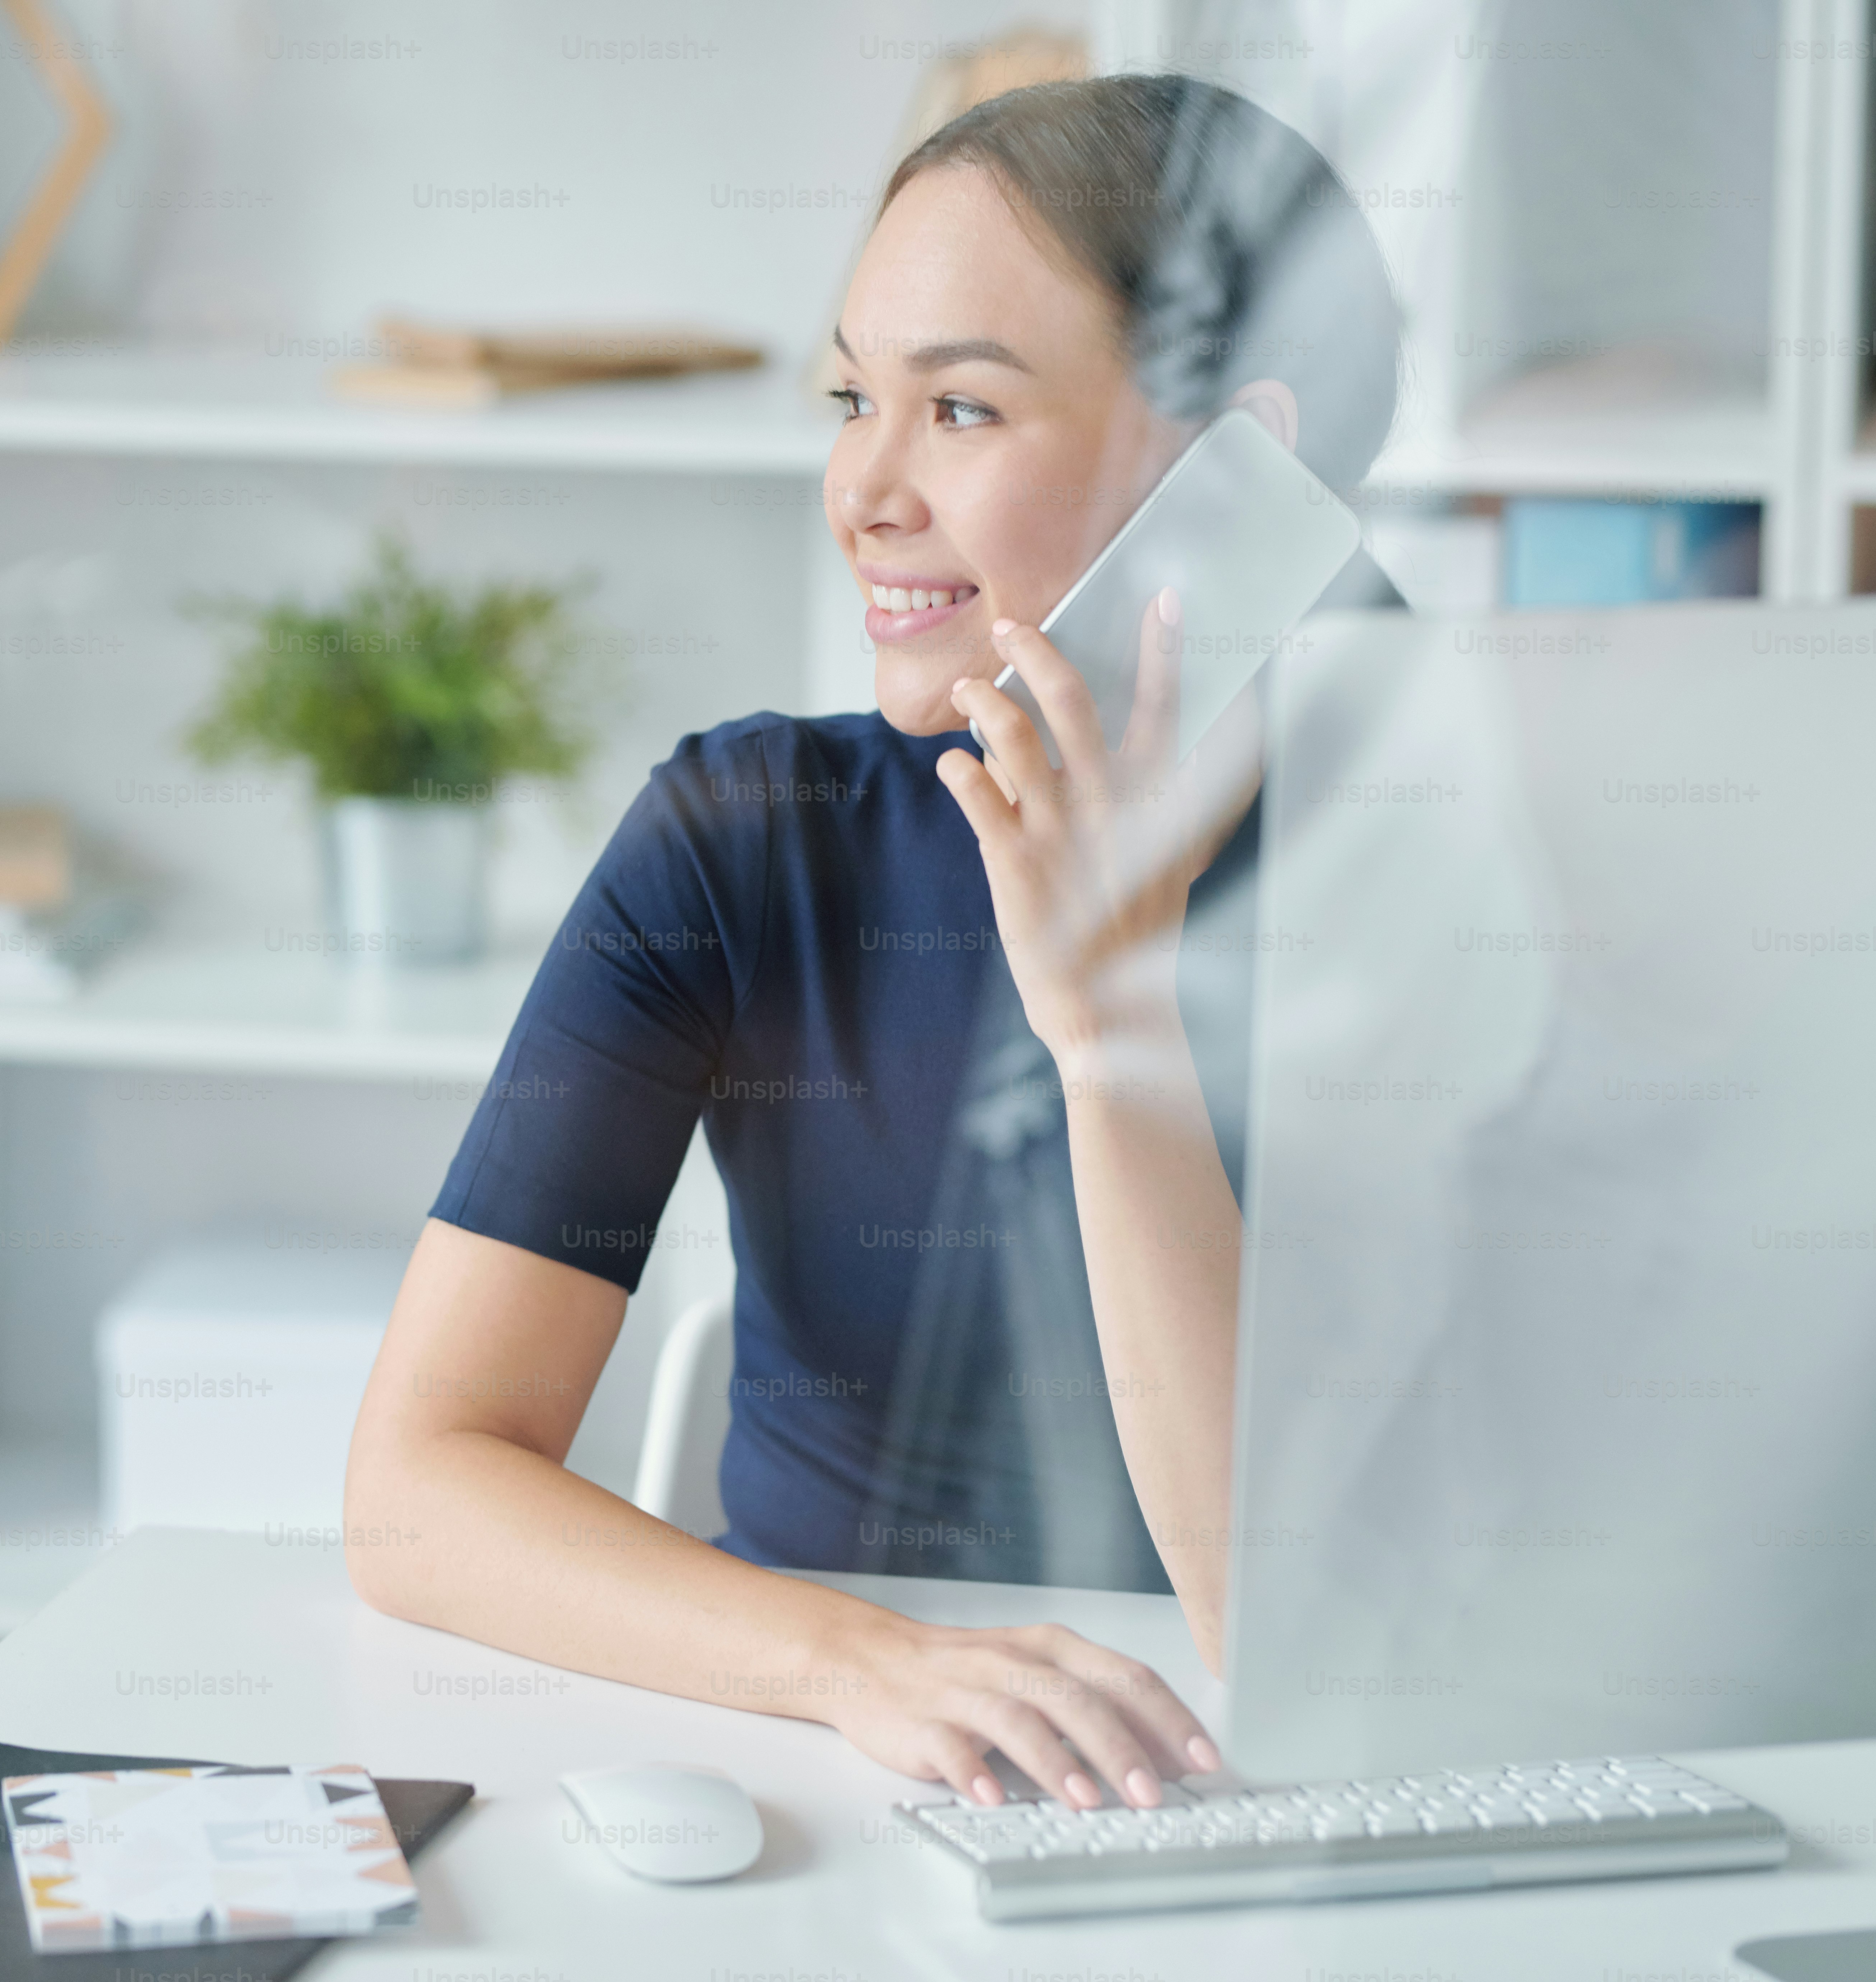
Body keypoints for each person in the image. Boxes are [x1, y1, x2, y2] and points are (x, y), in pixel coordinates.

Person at [347, 74, 1401, 1815]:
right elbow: (418, 1484)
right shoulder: (749, 833)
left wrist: (1108, 1020)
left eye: (963, 410)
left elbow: (1286, 1629)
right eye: (854, 398)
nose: (863, 490)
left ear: (1242, 465)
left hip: (1247, 1793)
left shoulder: (1452, 861)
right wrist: (862, 1662)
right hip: (832, 1771)